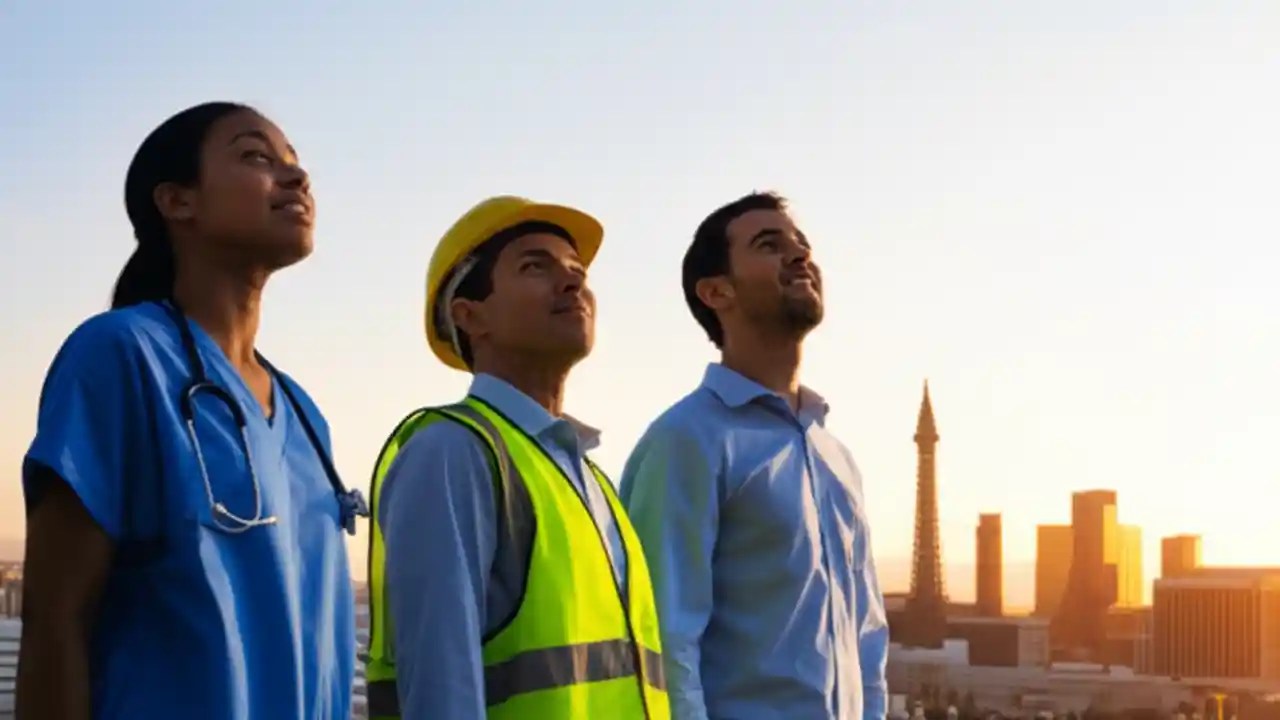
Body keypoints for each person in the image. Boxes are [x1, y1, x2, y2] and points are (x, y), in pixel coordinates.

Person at [16, 102, 364, 720]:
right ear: (178, 202)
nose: (296, 179)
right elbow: (55, 622)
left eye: (297, 164)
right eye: (257, 157)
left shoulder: (306, 418)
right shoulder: (121, 357)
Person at [364, 196, 670, 720]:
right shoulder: (451, 452)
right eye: (536, 266)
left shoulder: (589, 479)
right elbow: (440, 692)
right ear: (470, 315)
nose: (573, 283)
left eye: (577, 271)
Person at [619, 191, 889, 720]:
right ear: (717, 291)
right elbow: (665, 644)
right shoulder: (687, 440)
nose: (799, 256)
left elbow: (868, 640)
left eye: (803, 246)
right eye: (770, 245)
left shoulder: (836, 456)